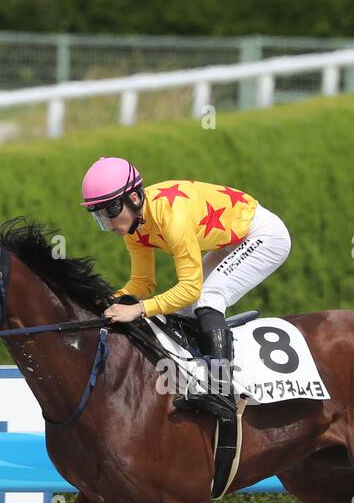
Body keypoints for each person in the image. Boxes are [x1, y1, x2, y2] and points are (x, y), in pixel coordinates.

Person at [83, 156, 292, 421]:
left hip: (264, 236)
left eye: (109, 211)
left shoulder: (172, 216)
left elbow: (191, 288)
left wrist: (139, 310)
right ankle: (197, 376)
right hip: (231, 241)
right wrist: (103, 302)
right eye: (99, 215)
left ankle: (221, 392)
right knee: (182, 309)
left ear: (134, 199)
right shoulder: (135, 228)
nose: (109, 223)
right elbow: (142, 283)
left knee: (207, 297)